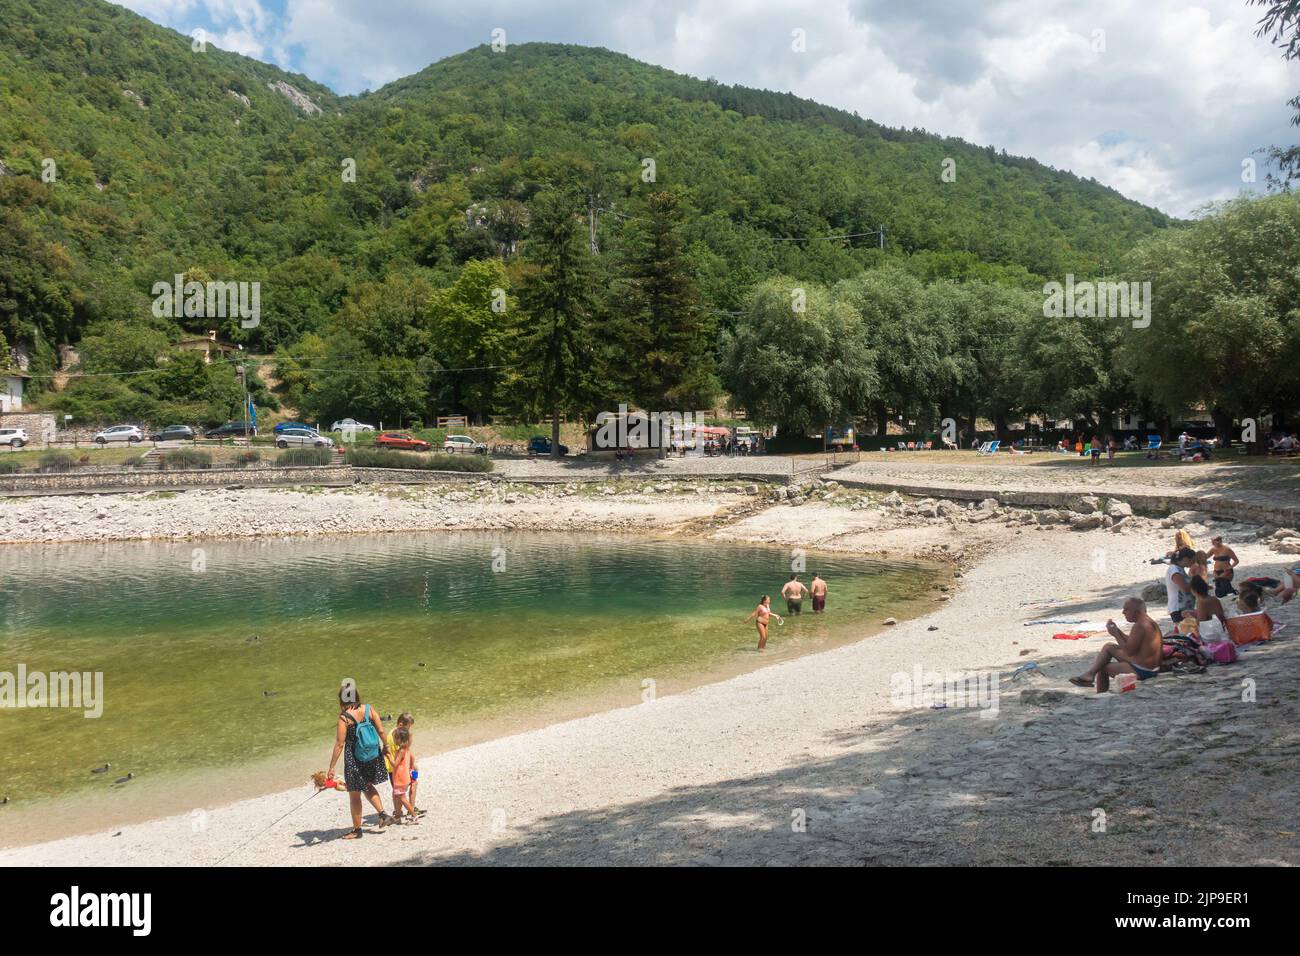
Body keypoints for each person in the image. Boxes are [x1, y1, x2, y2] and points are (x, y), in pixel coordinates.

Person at [327, 681, 393, 839]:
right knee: (368, 785)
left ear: (342, 699)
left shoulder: (344, 718)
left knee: (354, 795)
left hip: (354, 759)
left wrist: (331, 767)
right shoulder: (368, 709)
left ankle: (357, 831)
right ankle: (383, 814)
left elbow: (339, 743)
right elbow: (381, 730)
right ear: (356, 695)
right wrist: (386, 746)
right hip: (372, 755)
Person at [1069, 597, 1164, 692]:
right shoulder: (1149, 622)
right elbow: (1133, 642)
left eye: (1126, 609)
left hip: (1144, 670)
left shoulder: (1140, 625)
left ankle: (1100, 693)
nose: (1123, 612)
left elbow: (1129, 652)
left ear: (1136, 612)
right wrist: (1118, 631)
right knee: (1109, 646)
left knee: (1103, 667)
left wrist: (1115, 634)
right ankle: (1090, 674)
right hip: (1150, 667)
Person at [385, 712, 422, 818]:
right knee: (412, 785)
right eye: (408, 727)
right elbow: (405, 752)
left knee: (397, 791)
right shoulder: (400, 736)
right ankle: (411, 809)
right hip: (401, 769)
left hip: (392, 769)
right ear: (401, 725)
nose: (409, 730)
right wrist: (412, 765)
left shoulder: (391, 734)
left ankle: (398, 812)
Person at [388, 727, 418, 825]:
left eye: (395, 738)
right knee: (397, 797)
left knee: (402, 798)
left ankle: (414, 815)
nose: (394, 740)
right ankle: (397, 816)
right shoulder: (407, 749)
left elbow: (394, 765)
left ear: (400, 739)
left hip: (400, 778)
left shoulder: (401, 751)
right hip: (404, 778)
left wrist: (388, 755)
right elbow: (412, 758)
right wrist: (413, 767)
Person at [1189, 575, 1229, 643]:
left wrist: (1191, 617)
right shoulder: (1214, 599)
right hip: (1221, 631)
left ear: (1194, 591)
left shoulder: (1201, 602)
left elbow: (1201, 623)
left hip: (1211, 636)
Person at [1164, 548, 1196, 625]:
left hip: (1185, 606)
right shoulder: (1174, 570)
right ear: (1185, 558)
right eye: (1192, 560)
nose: (1193, 563)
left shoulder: (1180, 569)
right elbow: (1184, 588)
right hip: (1179, 608)